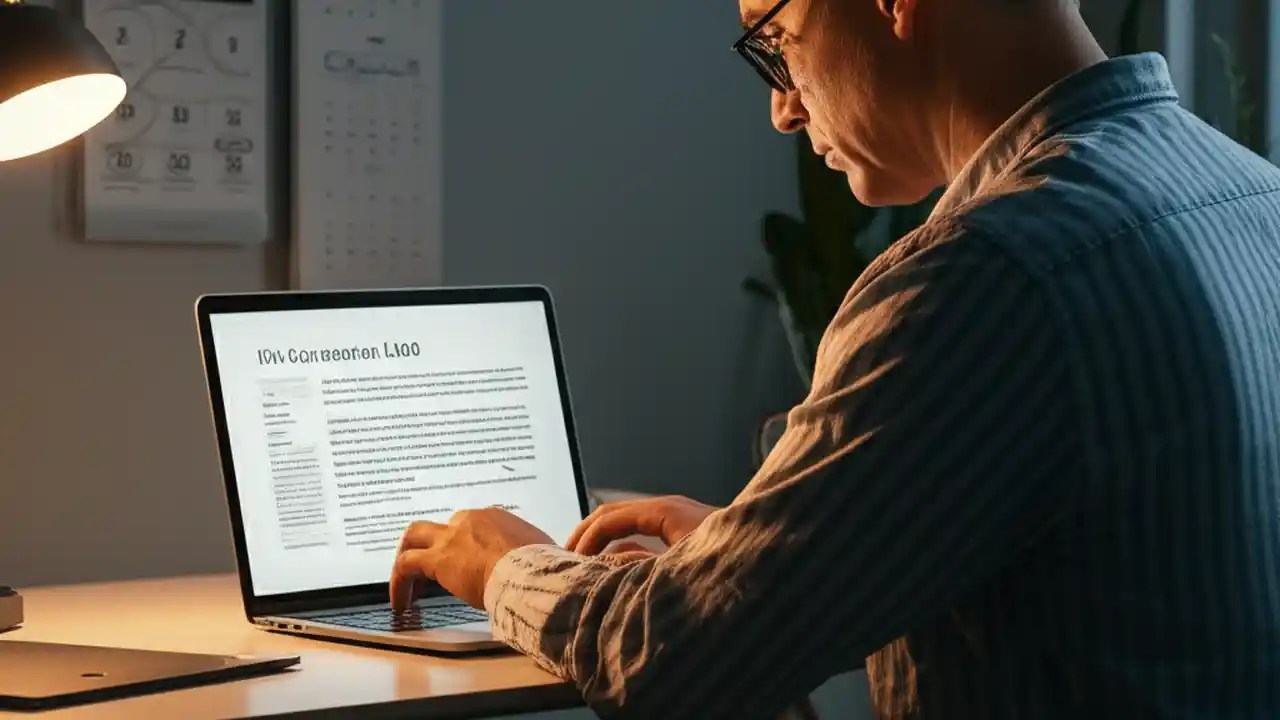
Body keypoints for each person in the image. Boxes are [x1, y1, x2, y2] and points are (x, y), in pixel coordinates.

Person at [389, 0, 1280, 717]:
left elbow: (677, 665)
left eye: (778, 40)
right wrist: (789, 556)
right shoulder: (1250, 196)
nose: (782, 106)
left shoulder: (983, 275)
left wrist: (503, 563)